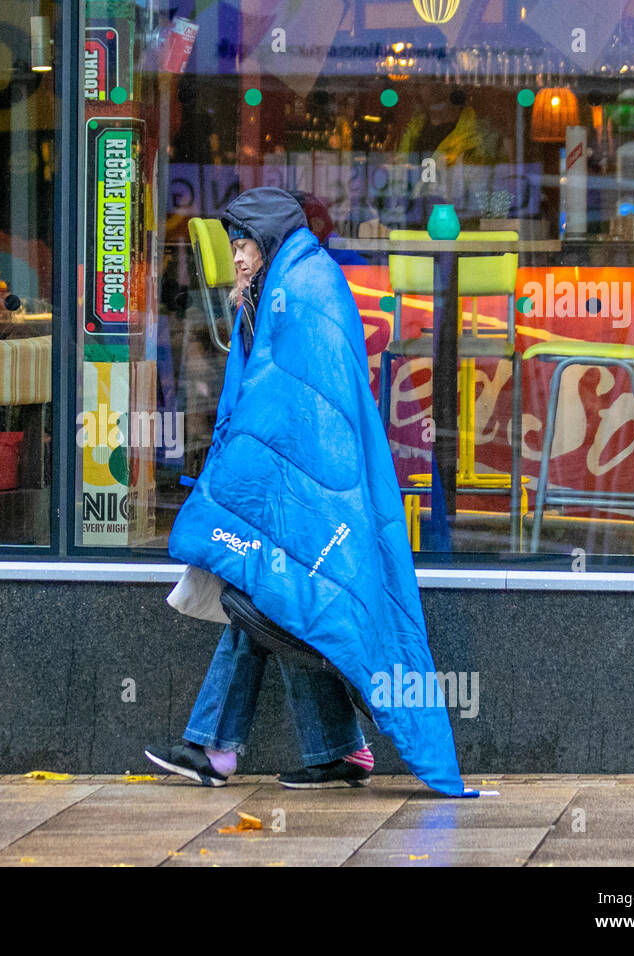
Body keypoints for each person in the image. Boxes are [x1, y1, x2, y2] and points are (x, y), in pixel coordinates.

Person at [146, 188, 375, 789]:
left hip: (304, 491)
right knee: (272, 606)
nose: (238, 259)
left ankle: (216, 746)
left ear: (269, 241)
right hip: (289, 486)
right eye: (233, 247)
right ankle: (330, 749)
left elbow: (298, 398)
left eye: (244, 244)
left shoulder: (300, 290)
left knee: (268, 602)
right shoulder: (276, 291)